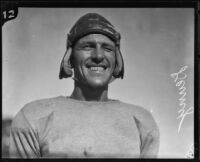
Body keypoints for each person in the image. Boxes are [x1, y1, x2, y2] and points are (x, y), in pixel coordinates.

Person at [9, 13, 160, 158]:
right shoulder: (33, 116)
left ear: (117, 60)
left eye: (107, 48)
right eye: (87, 47)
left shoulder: (141, 120)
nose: (98, 56)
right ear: (70, 57)